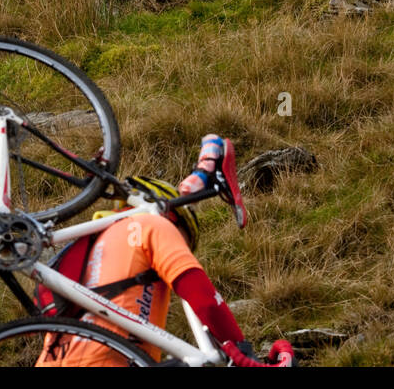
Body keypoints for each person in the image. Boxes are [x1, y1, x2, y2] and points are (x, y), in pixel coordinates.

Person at [36, 134, 295, 368]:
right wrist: (243, 349)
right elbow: (204, 299)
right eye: (184, 238)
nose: (182, 246)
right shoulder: (152, 224)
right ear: (174, 216)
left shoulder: (91, 245)